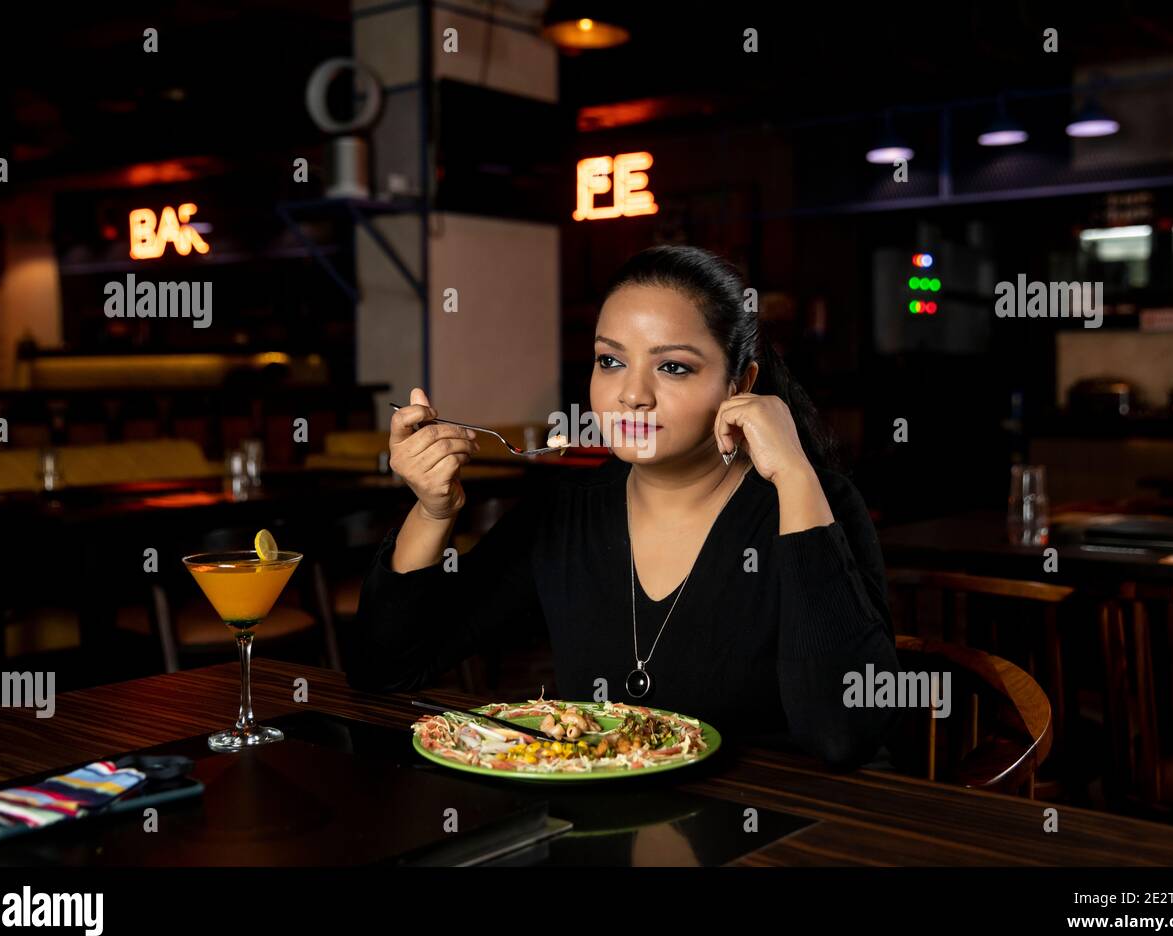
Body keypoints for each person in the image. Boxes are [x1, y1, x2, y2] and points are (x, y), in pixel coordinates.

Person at [348, 245, 900, 766]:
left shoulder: (812, 503)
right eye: (610, 361)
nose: (632, 395)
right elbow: (386, 668)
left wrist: (796, 475)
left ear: (742, 384)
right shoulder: (566, 513)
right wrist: (433, 512)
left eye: (673, 367)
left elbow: (843, 736)